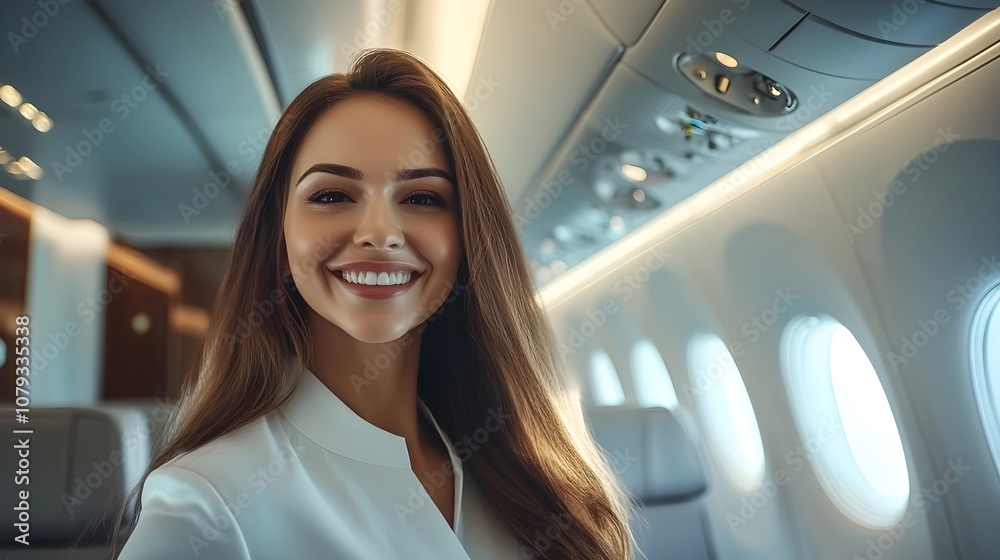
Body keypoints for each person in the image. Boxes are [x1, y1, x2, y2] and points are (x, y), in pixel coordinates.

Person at [113, 48, 635, 559]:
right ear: (279, 234)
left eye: (423, 198)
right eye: (333, 196)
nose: (380, 233)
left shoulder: (529, 472)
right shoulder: (206, 502)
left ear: (468, 236)